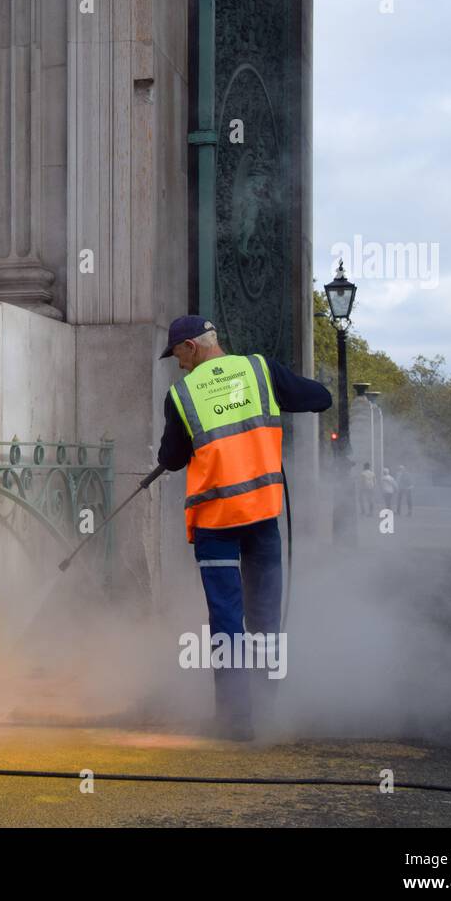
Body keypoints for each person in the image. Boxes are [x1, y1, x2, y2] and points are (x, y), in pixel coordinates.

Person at [156, 315, 331, 741]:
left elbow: (174, 457)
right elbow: (321, 399)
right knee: (266, 617)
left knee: (227, 620)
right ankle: (270, 707)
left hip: (217, 522)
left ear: (191, 348)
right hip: (262, 518)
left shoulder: (182, 394)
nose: (176, 364)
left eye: (176, 354)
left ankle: (236, 720)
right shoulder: (260, 370)